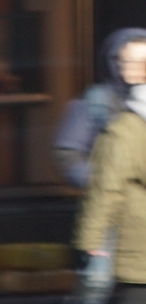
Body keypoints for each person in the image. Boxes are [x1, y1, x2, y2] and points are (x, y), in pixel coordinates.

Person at [74, 72, 146, 304]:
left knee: (133, 303)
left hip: (136, 228)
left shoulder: (123, 131)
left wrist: (91, 237)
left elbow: (107, 187)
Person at [55, 28, 146, 189]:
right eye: (127, 60)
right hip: (116, 195)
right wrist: (102, 181)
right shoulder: (95, 101)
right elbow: (69, 154)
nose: (137, 67)